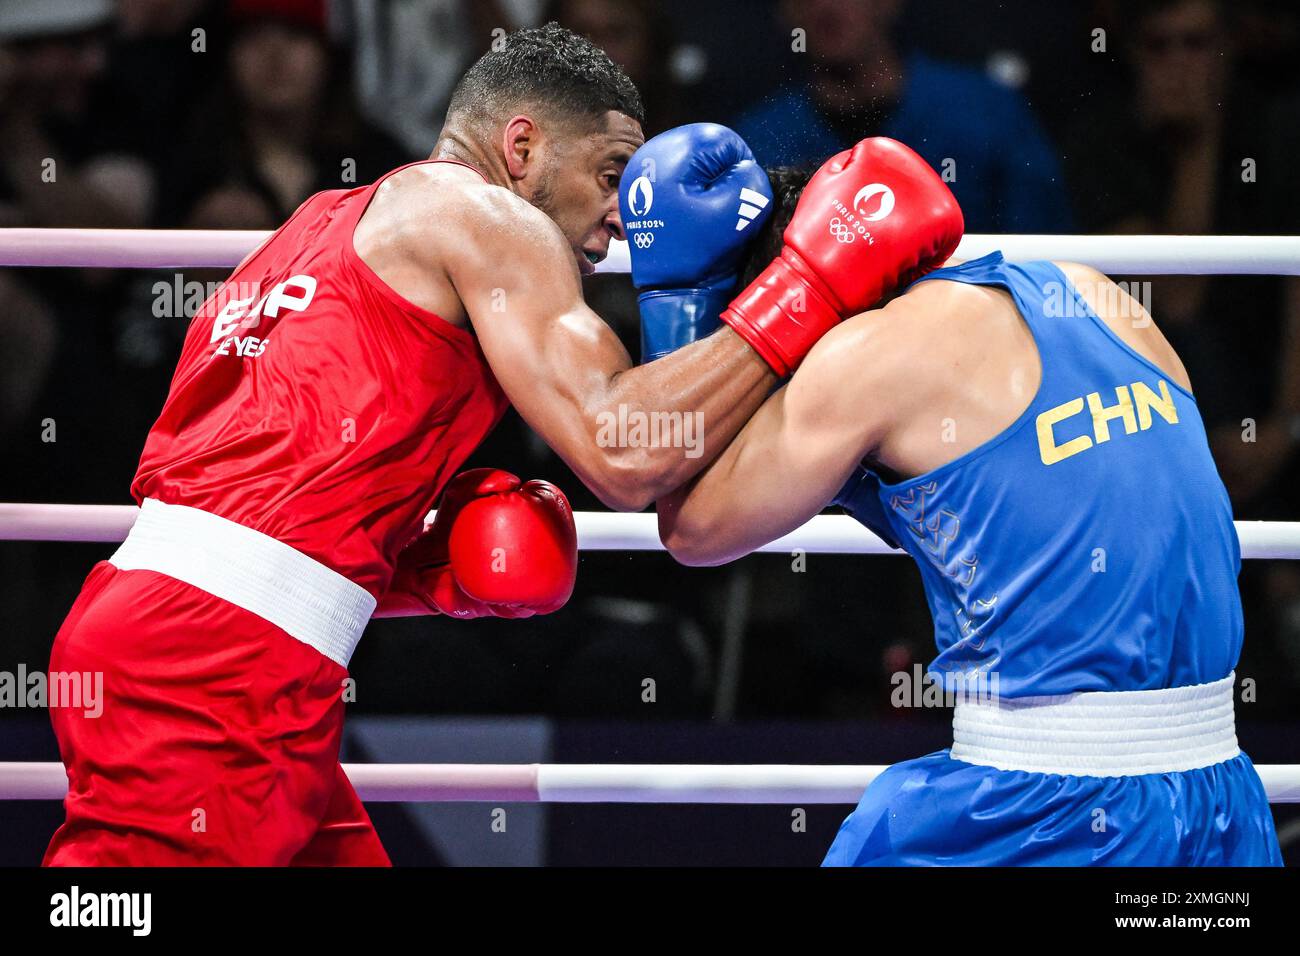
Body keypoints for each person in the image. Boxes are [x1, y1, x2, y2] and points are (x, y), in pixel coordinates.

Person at [44, 24, 957, 865]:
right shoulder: (492, 221)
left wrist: (422, 563)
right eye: (610, 174)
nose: (624, 216)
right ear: (520, 149)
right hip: (213, 666)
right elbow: (627, 451)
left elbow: (237, 494)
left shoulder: (315, 227)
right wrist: (811, 286)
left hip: (186, 633)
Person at [652, 162, 1283, 866]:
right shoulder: (1089, 289)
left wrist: (679, 307)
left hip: (1039, 810)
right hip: (1223, 803)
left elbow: (691, 528)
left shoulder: (864, 358)